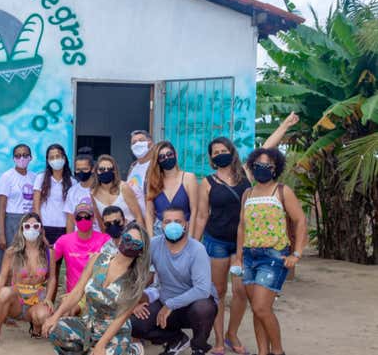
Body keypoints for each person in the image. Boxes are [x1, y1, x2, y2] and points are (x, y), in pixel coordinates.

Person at [192, 113, 298, 355]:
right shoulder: (206, 182)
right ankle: (219, 339)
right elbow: (201, 216)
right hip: (216, 242)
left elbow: (267, 147)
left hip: (245, 245)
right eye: (215, 152)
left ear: (232, 151)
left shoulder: (246, 173)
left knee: (241, 293)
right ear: (211, 157)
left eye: (223, 150)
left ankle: (232, 333)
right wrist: (193, 244)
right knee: (218, 292)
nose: (220, 154)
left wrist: (284, 125)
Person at [235, 147, 306, 355]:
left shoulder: (282, 191)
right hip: (249, 256)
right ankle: (262, 352)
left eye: (267, 166)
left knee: (261, 307)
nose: (262, 169)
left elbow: (300, 220)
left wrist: (297, 254)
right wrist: (239, 257)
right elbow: (242, 226)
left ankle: (278, 351)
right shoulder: (247, 193)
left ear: (275, 168)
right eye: (258, 165)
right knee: (258, 311)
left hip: (273, 257)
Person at [43, 221, 150, 355]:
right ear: (122, 237)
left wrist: (101, 345)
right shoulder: (98, 259)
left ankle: (132, 351)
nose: (129, 243)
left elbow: (121, 318)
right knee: (56, 329)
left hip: (114, 333)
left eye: (136, 243)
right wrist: (55, 316)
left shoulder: (135, 281)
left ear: (141, 251)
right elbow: (77, 292)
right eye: (128, 238)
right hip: (88, 324)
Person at [131, 207, 218, 355]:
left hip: (193, 305)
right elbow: (138, 272)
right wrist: (134, 302)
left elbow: (202, 289)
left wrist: (171, 305)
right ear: (162, 225)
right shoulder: (154, 244)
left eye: (177, 221)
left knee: (204, 308)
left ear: (186, 224)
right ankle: (176, 339)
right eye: (167, 221)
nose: (172, 225)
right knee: (136, 323)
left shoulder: (197, 250)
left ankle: (198, 347)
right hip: (166, 302)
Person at [0, 212, 56, 345]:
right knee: (4, 292)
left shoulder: (49, 252)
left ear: (41, 228)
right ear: (22, 229)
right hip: (17, 301)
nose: (32, 229)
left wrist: (48, 299)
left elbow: (52, 278)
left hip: (37, 299)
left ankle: (36, 328)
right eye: (27, 226)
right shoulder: (12, 252)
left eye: (35, 226)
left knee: (43, 315)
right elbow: (2, 276)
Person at [52, 202, 110, 315]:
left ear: (93, 219)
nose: (83, 220)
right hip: (73, 295)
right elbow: (48, 262)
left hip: (96, 295)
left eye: (87, 217)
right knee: (65, 312)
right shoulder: (64, 241)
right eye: (79, 217)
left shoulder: (105, 240)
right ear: (74, 220)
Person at [33, 143, 72, 301]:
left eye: (58, 156)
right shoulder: (41, 178)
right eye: (52, 157)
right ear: (47, 160)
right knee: (42, 270)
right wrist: (39, 230)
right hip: (45, 229)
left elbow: (71, 214)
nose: (55, 159)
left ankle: (49, 304)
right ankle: (36, 305)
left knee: (55, 271)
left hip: (63, 231)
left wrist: (70, 237)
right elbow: (36, 206)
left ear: (64, 158)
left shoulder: (72, 182)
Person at [0, 143, 37, 275]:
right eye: (18, 156)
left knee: (26, 261)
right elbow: (1, 208)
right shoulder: (6, 177)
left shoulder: (34, 177)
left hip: (29, 223)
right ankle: (3, 292)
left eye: (25, 155)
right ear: (13, 158)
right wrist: (2, 234)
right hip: (11, 222)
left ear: (30, 157)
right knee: (8, 262)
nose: (22, 158)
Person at [144, 141, 198, 237]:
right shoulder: (153, 181)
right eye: (161, 157)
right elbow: (149, 212)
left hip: (184, 232)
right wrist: (151, 238)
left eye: (169, 154)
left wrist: (191, 237)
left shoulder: (189, 178)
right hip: (159, 233)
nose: (166, 158)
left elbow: (194, 211)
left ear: (175, 154)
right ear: (157, 161)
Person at [91, 154, 145, 230]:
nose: (106, 172)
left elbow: (138, 216)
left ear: (114, 171)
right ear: (96, 171)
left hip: (130, 233)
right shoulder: (93, 193)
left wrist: (141, 238)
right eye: (102, 169)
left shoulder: (124, 187)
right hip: (111, 237)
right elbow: (101, 224)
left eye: (110, 169)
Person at [64, 148, 98, 232]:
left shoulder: (101, 188)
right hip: (78, 236)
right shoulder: (72, 191)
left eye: (85, 169)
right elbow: (70, 220)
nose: (81, 172)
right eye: (78, 170)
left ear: (93, 169)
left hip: (98, 237)